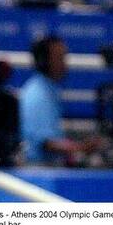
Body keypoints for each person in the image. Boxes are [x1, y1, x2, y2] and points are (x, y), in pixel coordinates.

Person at [19, 36, 100, 165]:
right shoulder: (38, 94)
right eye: (60, 58)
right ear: (43, 61)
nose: (64, 64)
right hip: (39, 170)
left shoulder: (48, 89)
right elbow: (47, 144)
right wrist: (82, 147)